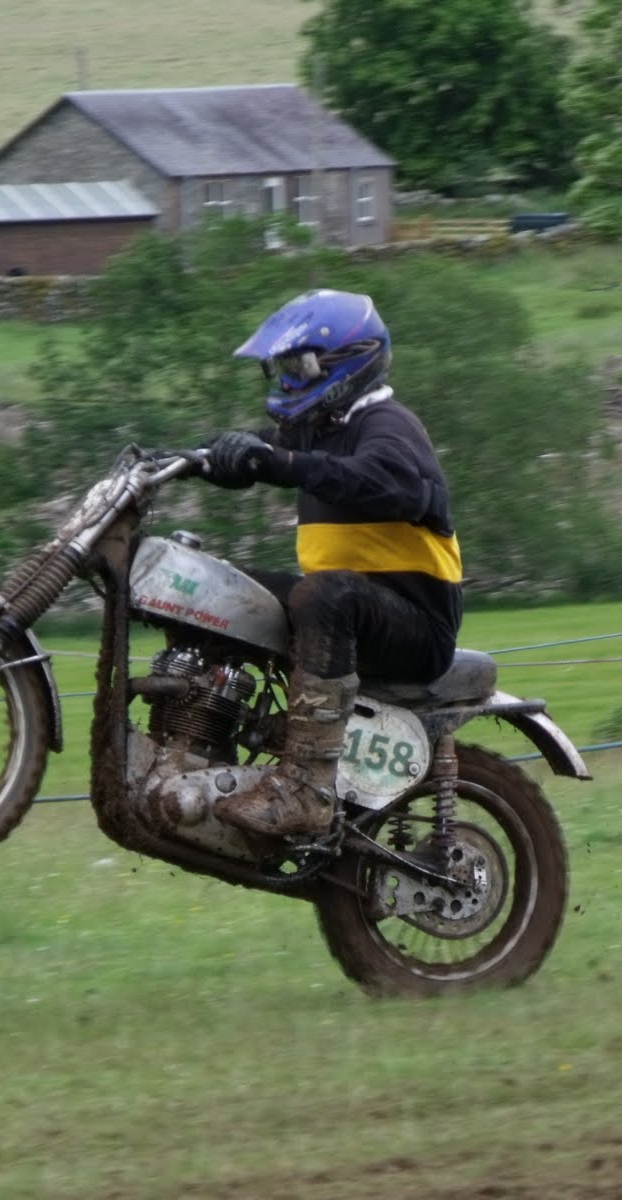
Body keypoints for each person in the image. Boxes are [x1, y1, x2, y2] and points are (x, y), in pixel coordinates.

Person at [201, 288, 463, 838]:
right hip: (353, 617)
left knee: (324, 593)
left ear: (348, 362)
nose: (290, 379)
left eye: (300, 366)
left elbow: (381, 481)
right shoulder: (319, 432)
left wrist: (281, 463)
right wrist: (188, 457)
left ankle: (307, 788)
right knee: (219, 590)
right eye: (285, 368)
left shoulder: (388, 425)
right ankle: (202, 749)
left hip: (416, 627)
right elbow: (265, 450)